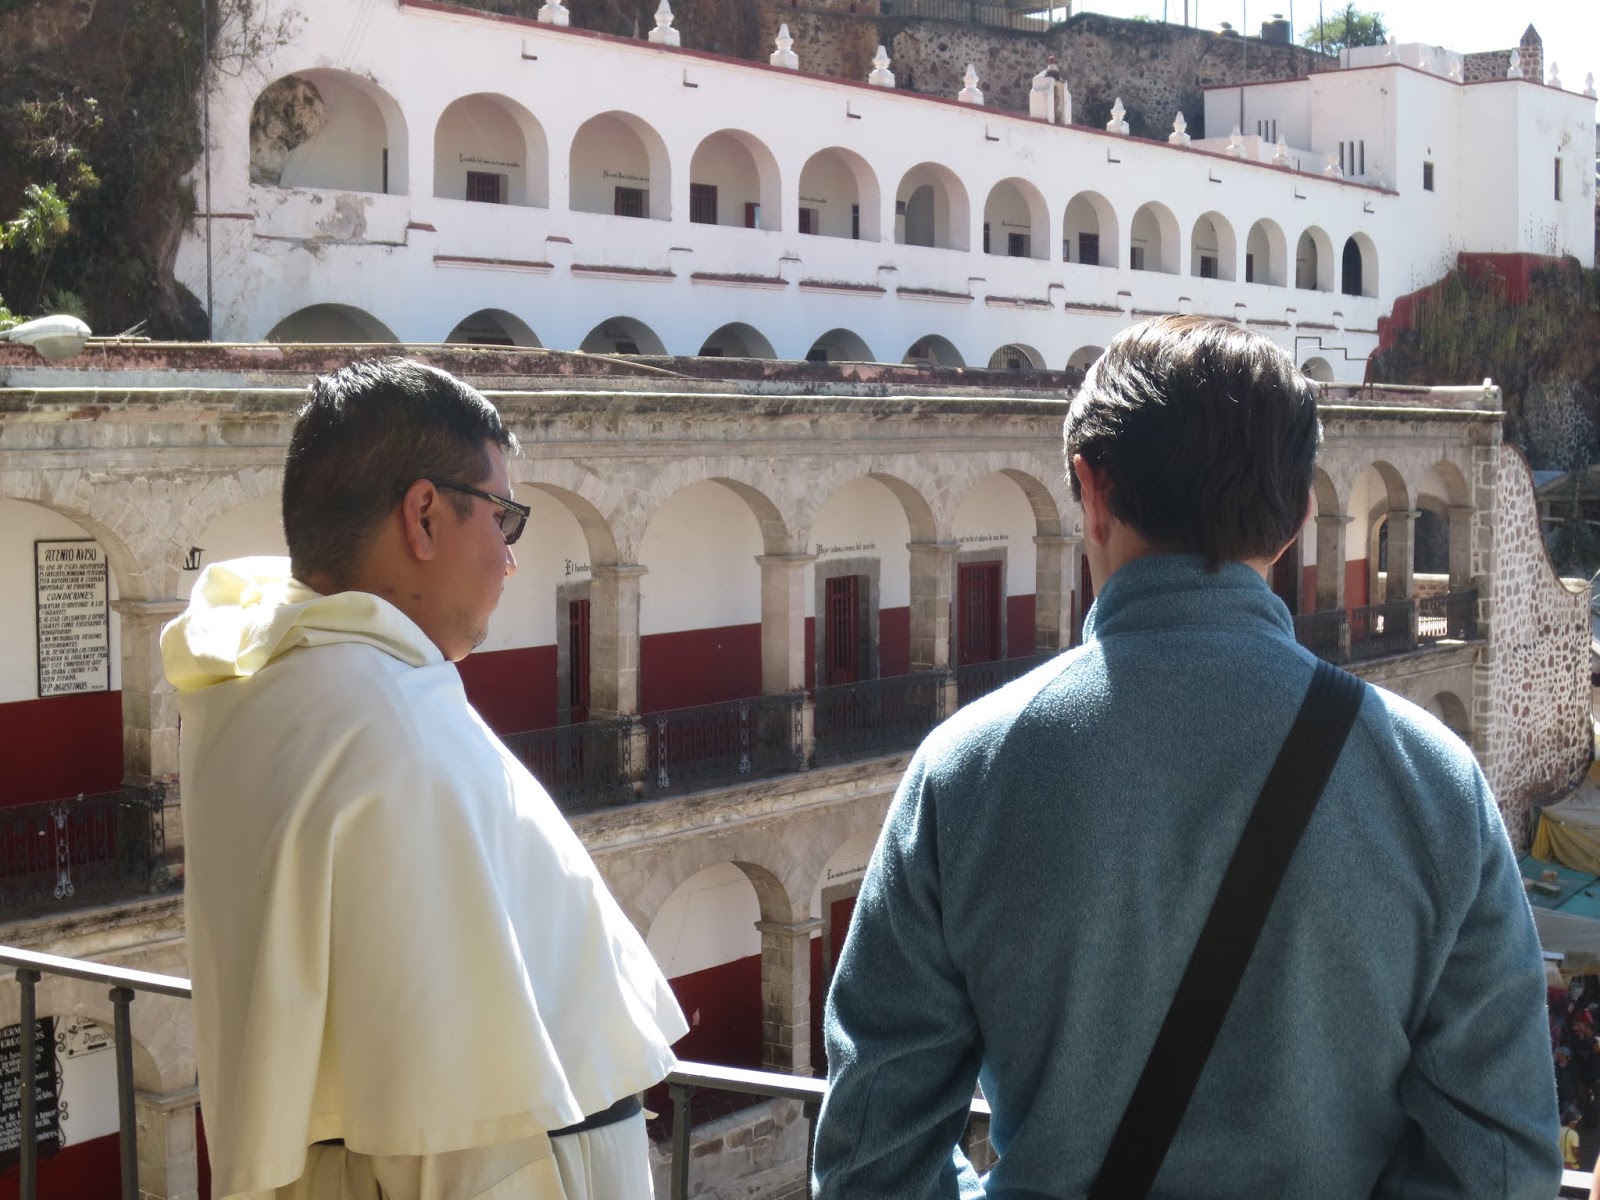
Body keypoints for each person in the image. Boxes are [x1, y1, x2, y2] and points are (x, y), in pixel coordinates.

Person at [813, 316, 1559, 1197]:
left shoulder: (965, 772)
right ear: (1297, 517)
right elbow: (1501, 1167)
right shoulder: (1433, 782)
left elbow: (871, 1163)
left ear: (1091, 490)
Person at [162, 359, 687, 1200]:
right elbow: (460, 1121)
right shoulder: (384, 727)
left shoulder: (275, 681)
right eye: (504, 519)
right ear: (425, 514)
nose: (510, 562)